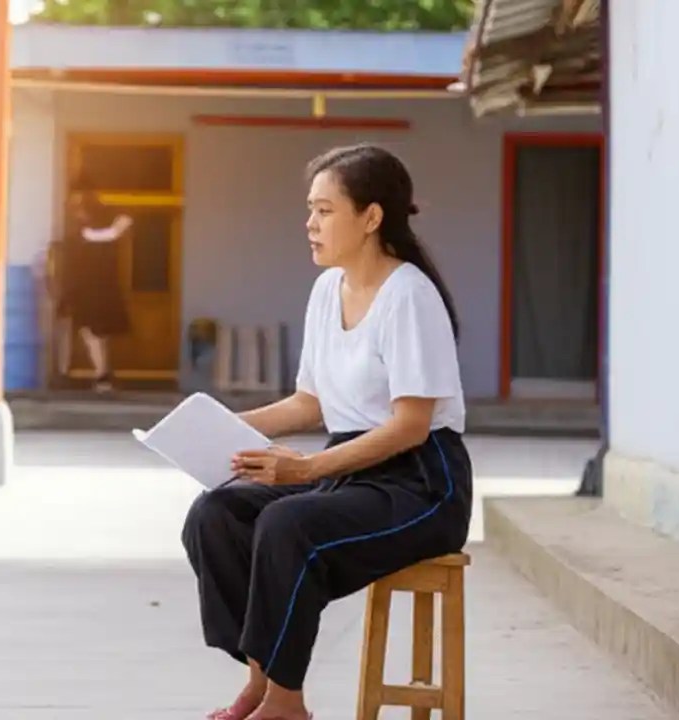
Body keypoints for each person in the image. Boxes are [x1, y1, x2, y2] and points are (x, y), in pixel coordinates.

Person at [181, 143, 474, 720]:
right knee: (215, 515)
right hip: (351, 471)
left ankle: (286, 705)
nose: (309, 224)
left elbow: (412, 425)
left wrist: (308, 469)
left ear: (371, 218)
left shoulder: (409, 296)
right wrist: (217, 426)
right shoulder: (326, 290)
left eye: (324, 210)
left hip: (421, 485)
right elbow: (310, 403)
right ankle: (263, 684)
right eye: (309, 210)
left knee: (288, 522)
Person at [54, 184, 133, 393]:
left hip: (87, 291)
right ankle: (100, 374)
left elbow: (75, 264)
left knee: (92, 334)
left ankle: (101, 374)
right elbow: (111, 232)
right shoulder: (92, 233)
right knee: (95, 334)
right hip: (94, 290)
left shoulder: (79, 234)